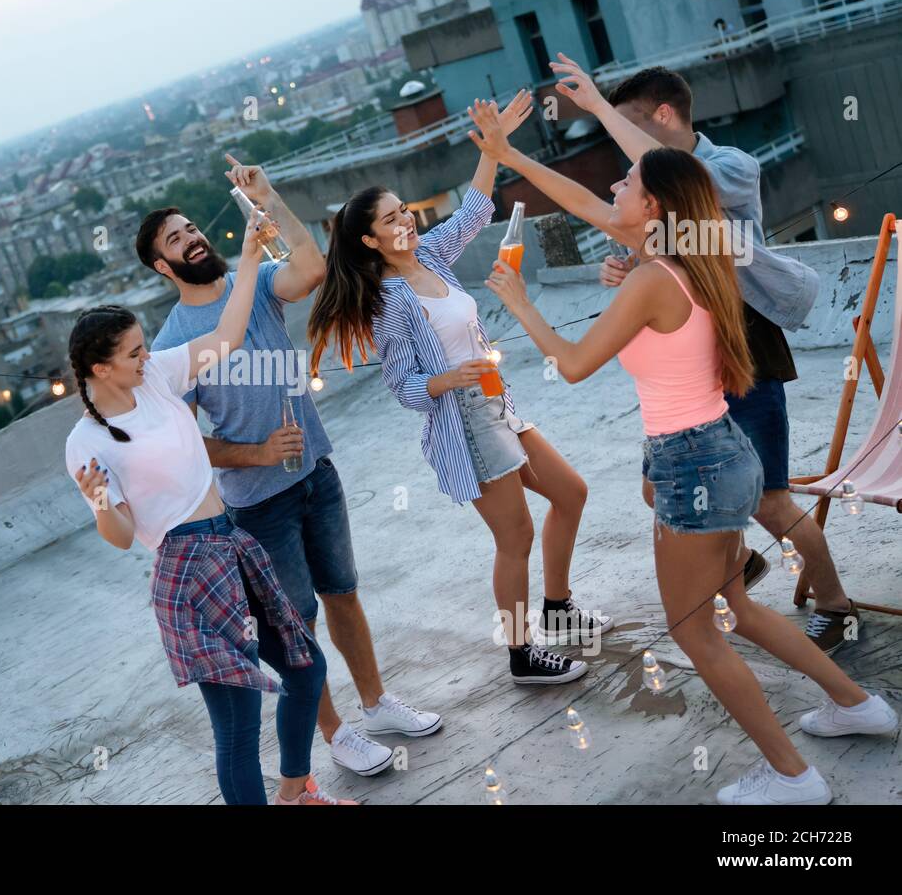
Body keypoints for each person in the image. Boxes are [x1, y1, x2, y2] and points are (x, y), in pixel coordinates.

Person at [467, 99, 896, 804]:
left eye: (627, 183)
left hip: (692, 464)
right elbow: (584, 202)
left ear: (655, 204)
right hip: (723, 451)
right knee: (741, 608)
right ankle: (857, 704)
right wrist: (509, 157)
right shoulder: (689, 254)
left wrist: (518, 302)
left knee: (696, 632)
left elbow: (573, 364)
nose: (613, 190)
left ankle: (794, 776)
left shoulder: (650, 277)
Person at [142, 155, 440, 778]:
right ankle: (335, 734)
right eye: (176, 239)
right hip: (257, 502)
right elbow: (182, 442)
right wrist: (254, 453)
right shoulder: (172, 342)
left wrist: (268, 195)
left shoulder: (250, 288)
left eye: (192, 227)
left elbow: (311, 267)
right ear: (160, 265)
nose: (193, 237)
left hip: (316, 472)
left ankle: (377, 704)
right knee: (295, 622)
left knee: (344, 595)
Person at [550, 56, 856, 655]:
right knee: (655, 488)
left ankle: (837, 605)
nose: (625, 149)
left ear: (663, 114)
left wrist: (596, 108)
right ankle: (737, 565)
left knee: (769, 499)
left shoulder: (731, 168)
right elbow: (661, 248)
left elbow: (679, 183)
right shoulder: (655, 185)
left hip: (744, 341)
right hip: (685, 351)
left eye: (628, 122)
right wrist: (629, 266)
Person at [307, 91, 611, 688]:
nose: (406, 222)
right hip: (464, 420)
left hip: (500, 405)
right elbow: (402, 386)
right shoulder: (388, 301)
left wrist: (493, 148)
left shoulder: (433, 262)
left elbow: (473, 211)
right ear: (369, 241)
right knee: (515, 535)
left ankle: (557, 605)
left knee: (570, 493)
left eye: (404, 211)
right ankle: (522, 653)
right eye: (391, 219)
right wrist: (444, 379)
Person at [64, 209, 354, 805]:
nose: (147, 357)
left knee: (304, 667)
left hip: (232, 541)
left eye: (145, 348)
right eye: (133, 353)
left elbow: (226, 335)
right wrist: (98, 502)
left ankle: (296, 791)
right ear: (100, 368)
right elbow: (119, 536)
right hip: (187, 569)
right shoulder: (87, 443)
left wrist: (249, 256)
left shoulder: (158, 379)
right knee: (238, 726)